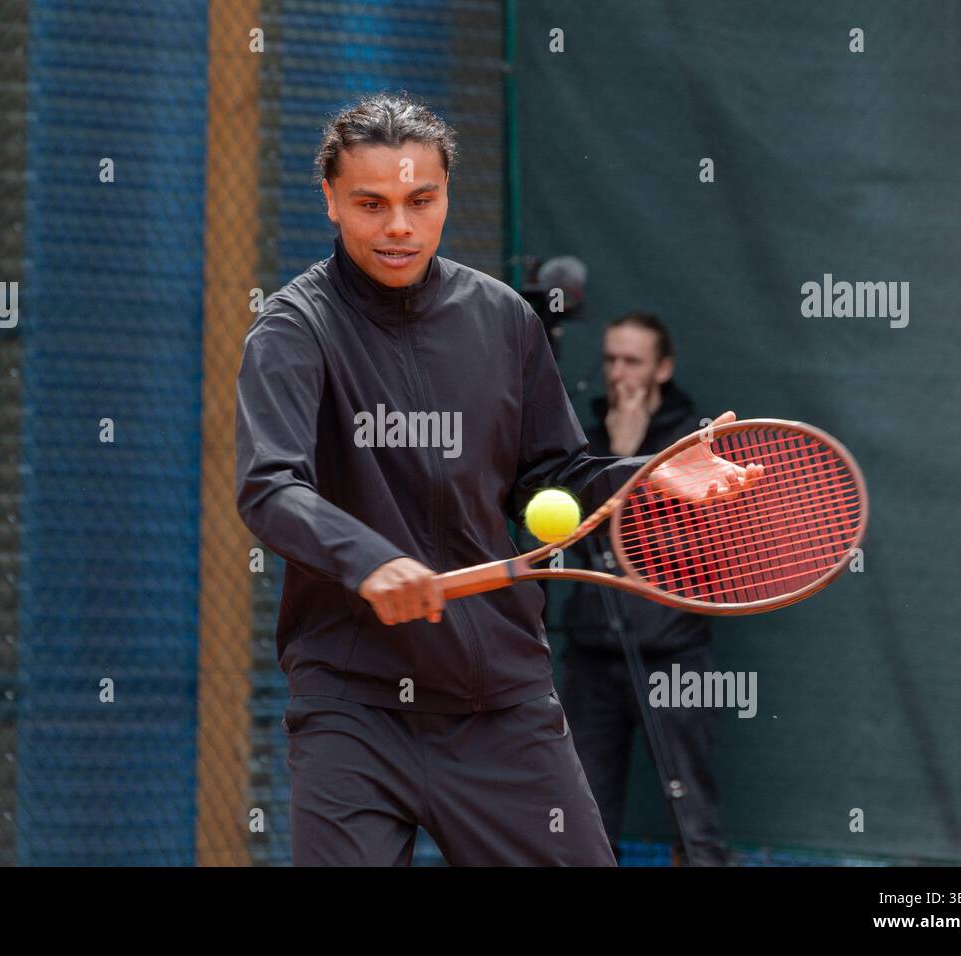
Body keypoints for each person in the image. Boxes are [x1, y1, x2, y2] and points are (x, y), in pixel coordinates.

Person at [234, 92, 757, 866]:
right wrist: (367, 559)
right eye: (371, 204)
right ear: (331, 202)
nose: (400, 226)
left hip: (501, 706)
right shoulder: (293, 330)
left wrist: (646, 473)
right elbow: (271, 488)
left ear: (446, 193)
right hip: (354, 709)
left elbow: (551, 472)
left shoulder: (503, 319)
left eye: (422, 200)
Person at [560, 312, 731, 866]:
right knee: (583, 820)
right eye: (610, 359)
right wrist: (616, 450)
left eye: (632, 361)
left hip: (674, 655)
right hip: (591, 655)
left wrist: (634, 457)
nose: (618, 373)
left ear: (664, 368)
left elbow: (683, 553)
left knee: (696, 821)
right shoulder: (582, 440)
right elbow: (587, 548)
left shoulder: (696, 446)